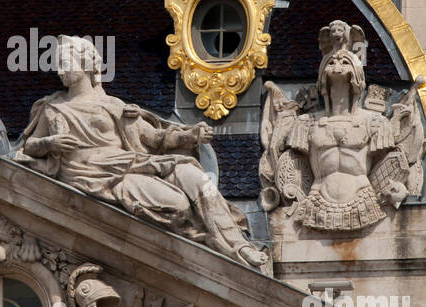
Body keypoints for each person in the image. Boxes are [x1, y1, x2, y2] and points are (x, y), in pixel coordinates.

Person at [16, 35, 266, 269]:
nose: (60, 71)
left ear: (85, 63)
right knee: (177, 206)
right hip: (88, 175)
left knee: (192, 173)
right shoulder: (51, 108)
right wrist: (49, 143)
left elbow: (155, 138)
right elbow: (28, 147)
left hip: (126, 165)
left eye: (65, 63)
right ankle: (206, 245)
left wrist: (191, 135)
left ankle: (238, 247)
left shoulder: (114, 106)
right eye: (58, 65)